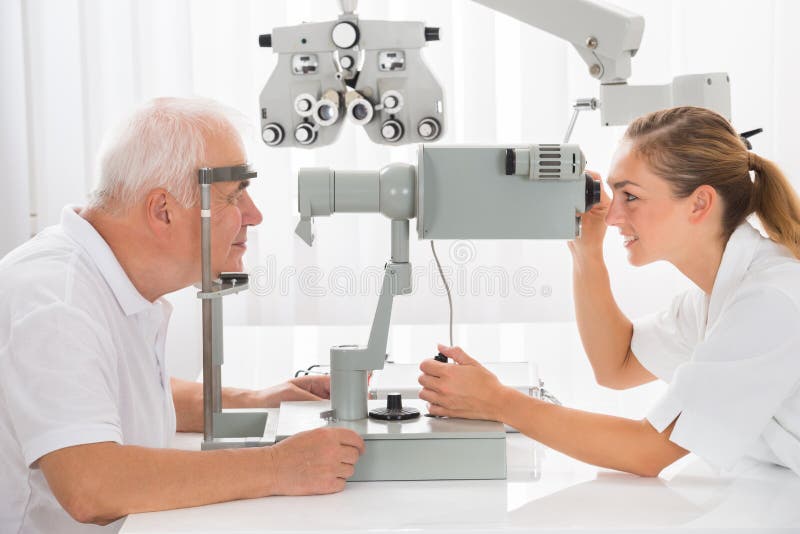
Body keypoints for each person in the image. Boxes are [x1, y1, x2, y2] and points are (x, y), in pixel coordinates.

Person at [0, 98, 364, 534]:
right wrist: (276, 467)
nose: (255, 215)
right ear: (163, 211)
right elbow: (91, 486)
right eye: (233, 196)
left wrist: (256, 400)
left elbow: (107, 393)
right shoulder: (56, 304)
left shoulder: (106, 276)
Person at [419, 106, 800, 477]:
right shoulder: (711, 301)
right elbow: (616, 366)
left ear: (699, 203)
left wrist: (498, 401)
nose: (614, 215)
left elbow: (647, 452)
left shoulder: (770, 300)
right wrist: (587, 252)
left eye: (630, 196)